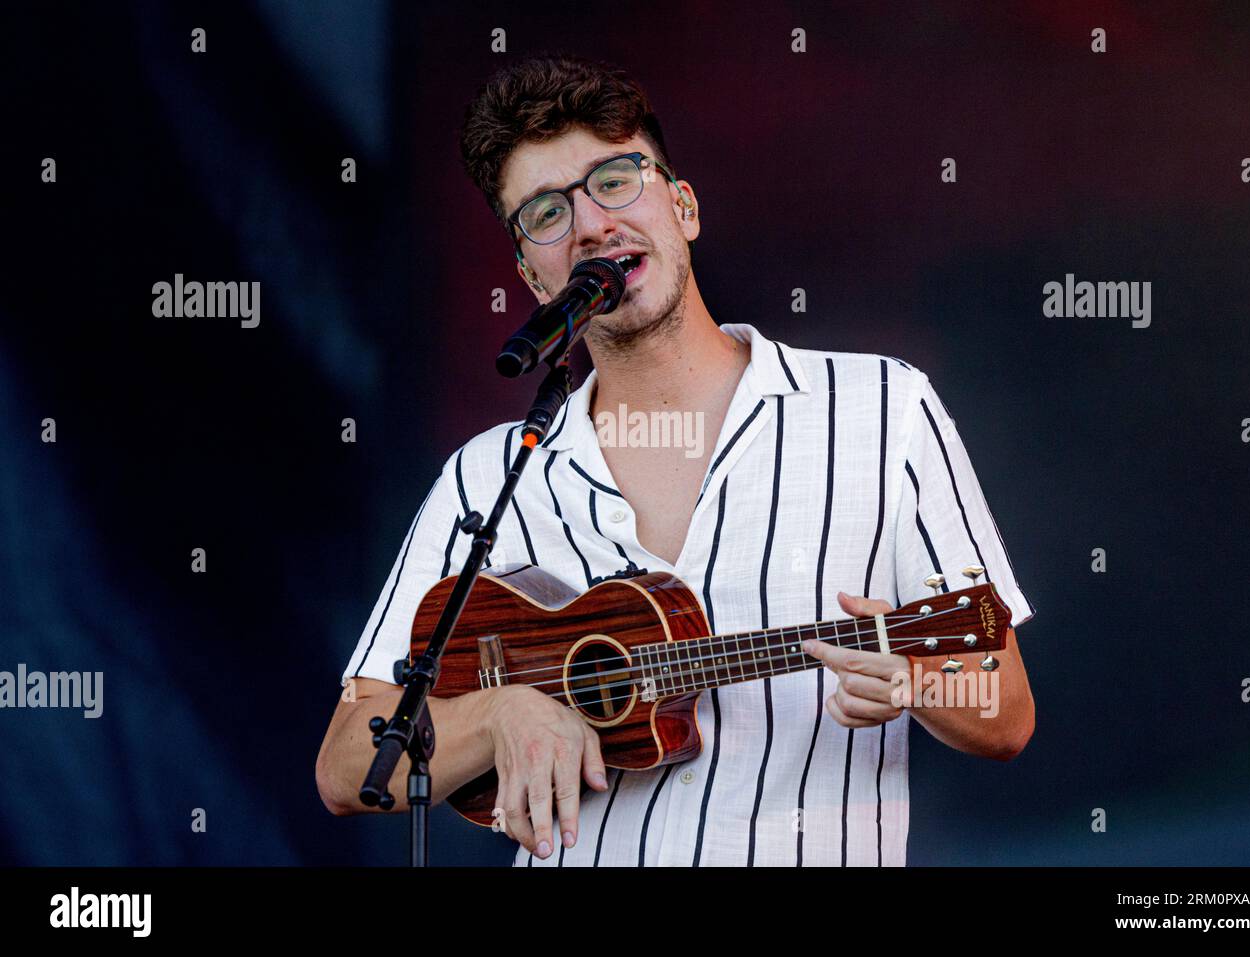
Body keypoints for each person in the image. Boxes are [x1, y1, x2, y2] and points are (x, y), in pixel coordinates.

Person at [315, 53, 1037, 866]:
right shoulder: (488, 475)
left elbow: (1006, 711)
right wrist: (501, 714)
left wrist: (920, 685)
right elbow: (350, 763)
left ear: (683, 206)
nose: (590, 224)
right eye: (546, 212)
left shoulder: (882, 410)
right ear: (530, 274)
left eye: (615, 180)